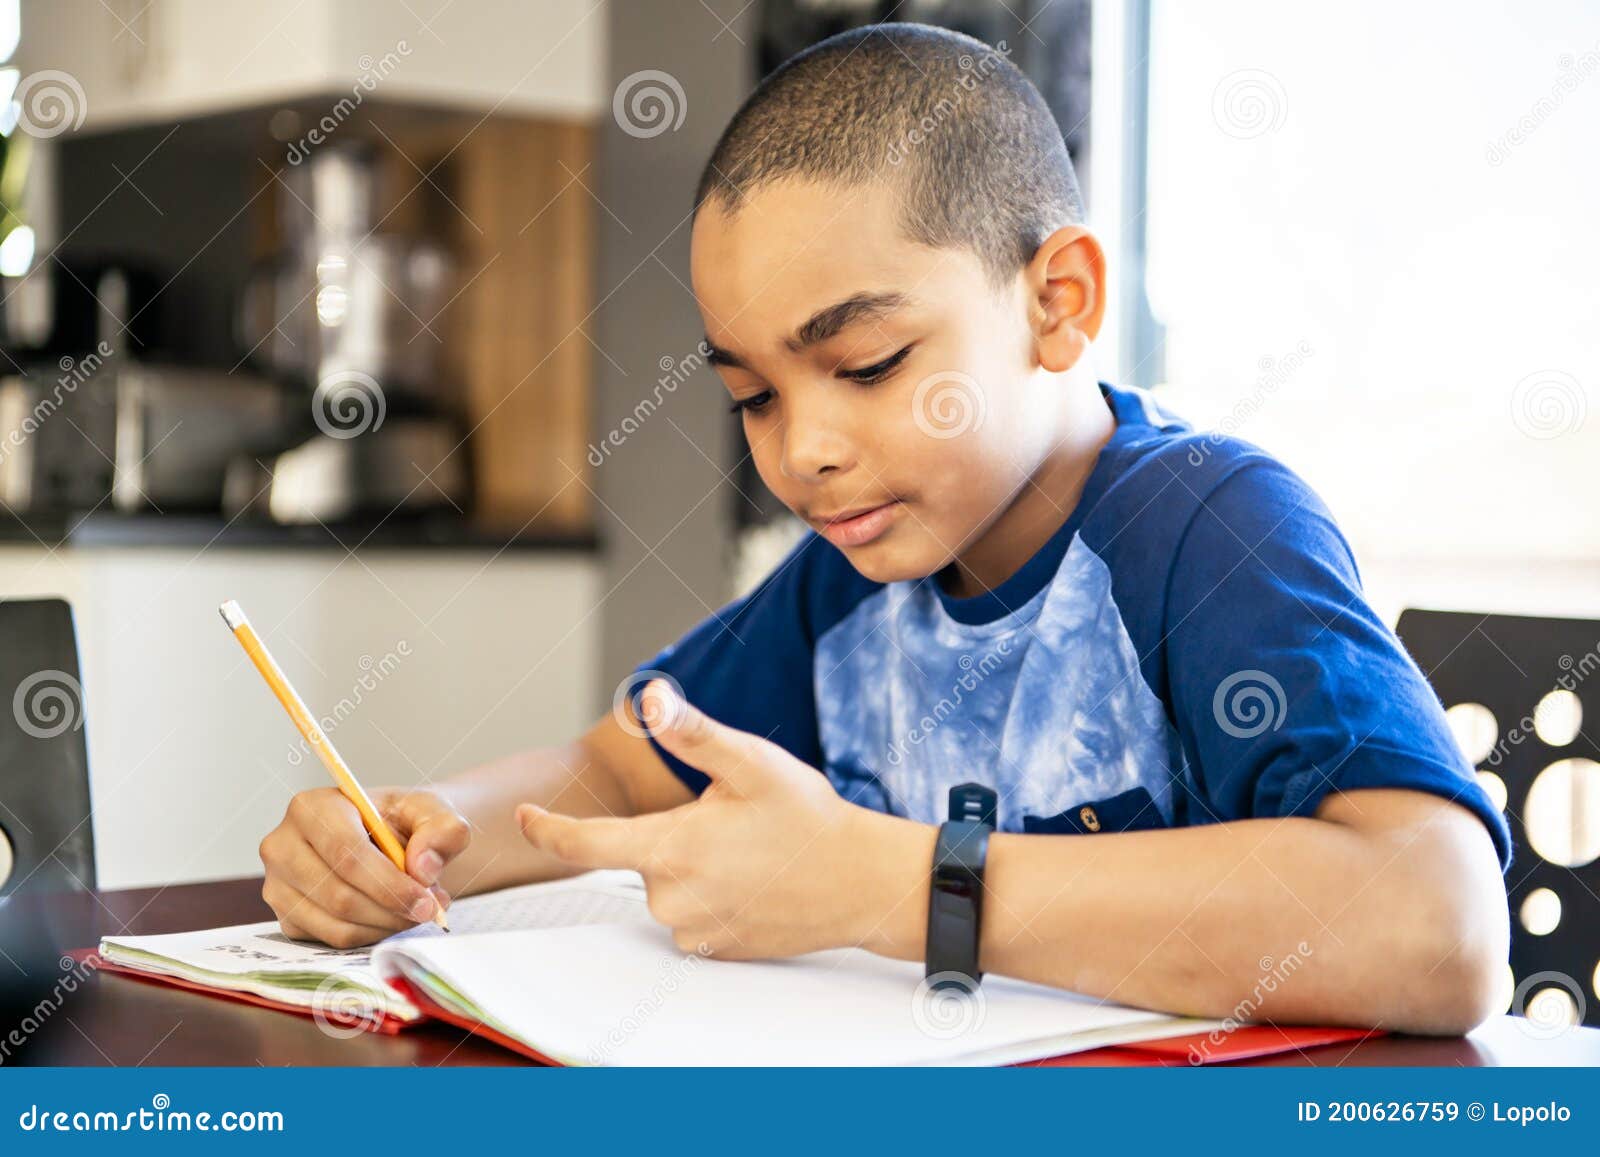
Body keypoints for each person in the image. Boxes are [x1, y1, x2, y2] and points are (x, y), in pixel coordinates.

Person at [258, 24, 1509, 1034]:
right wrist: (417, 837)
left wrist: (895, 882)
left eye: (864, 361)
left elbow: (1438, 923)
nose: (801, 450)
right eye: (752, 394)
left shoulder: (1206, 528)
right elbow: (626, 767)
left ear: (1056, 304)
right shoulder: (852, 582)